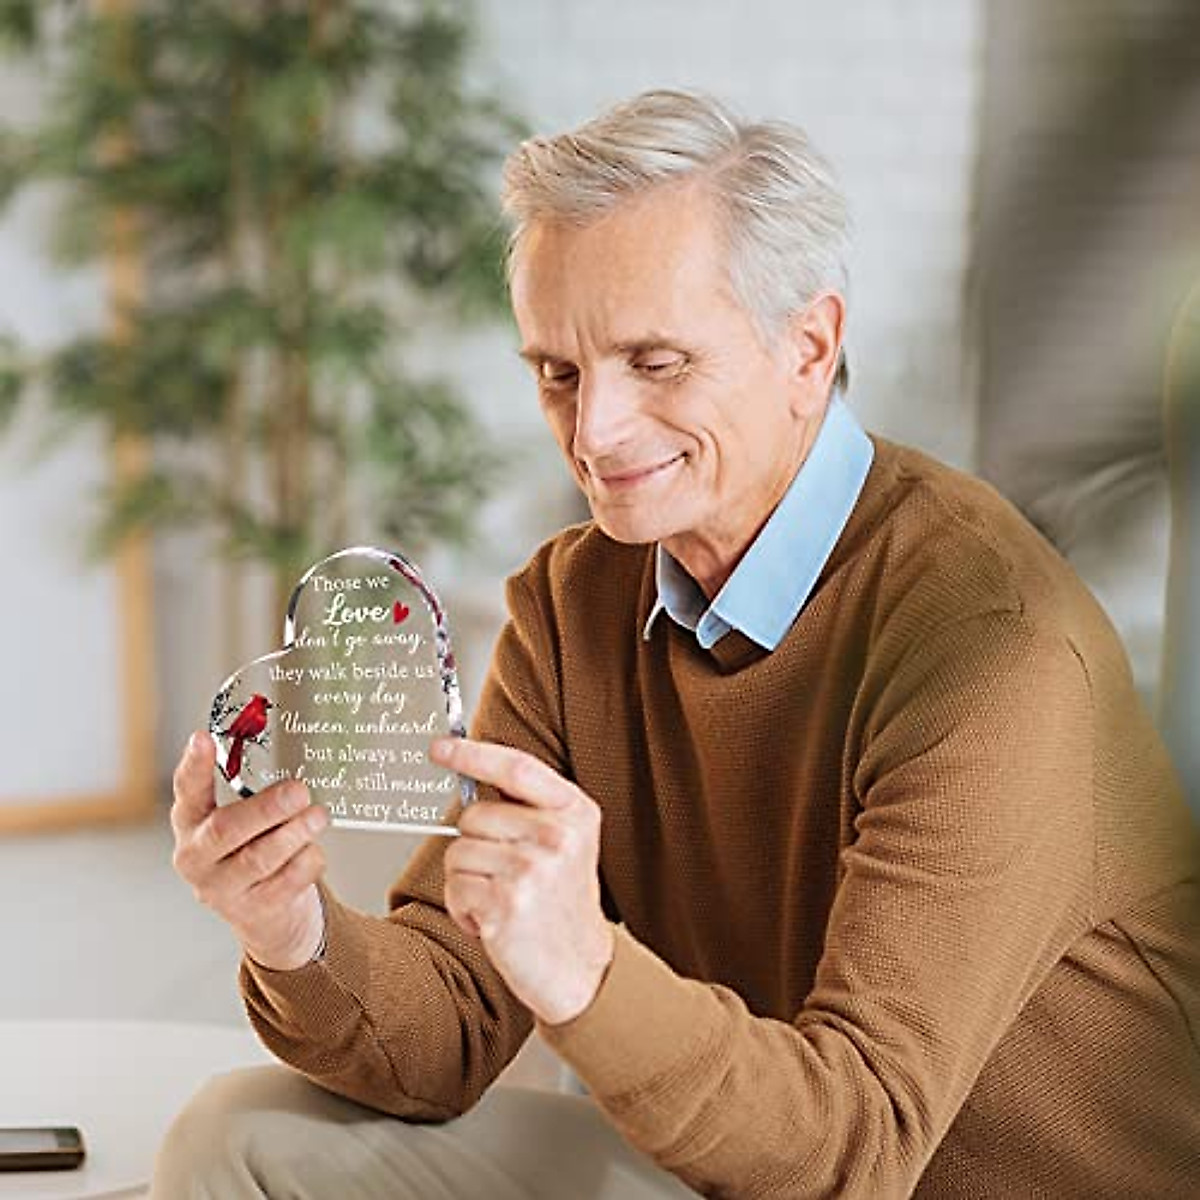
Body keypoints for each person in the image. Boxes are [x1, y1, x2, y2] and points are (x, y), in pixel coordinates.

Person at [153, 90, 1200, 1199]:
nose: (593, 433)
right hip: (728, 1159)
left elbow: (859, 1145)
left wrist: (586, 965)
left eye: (655, 363)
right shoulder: (575, 605)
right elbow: (449, 1033)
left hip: (921, 1180)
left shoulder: (989, 649)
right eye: (557, 371)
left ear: (809, 347)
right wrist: (294, 931)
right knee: (235, 1134)